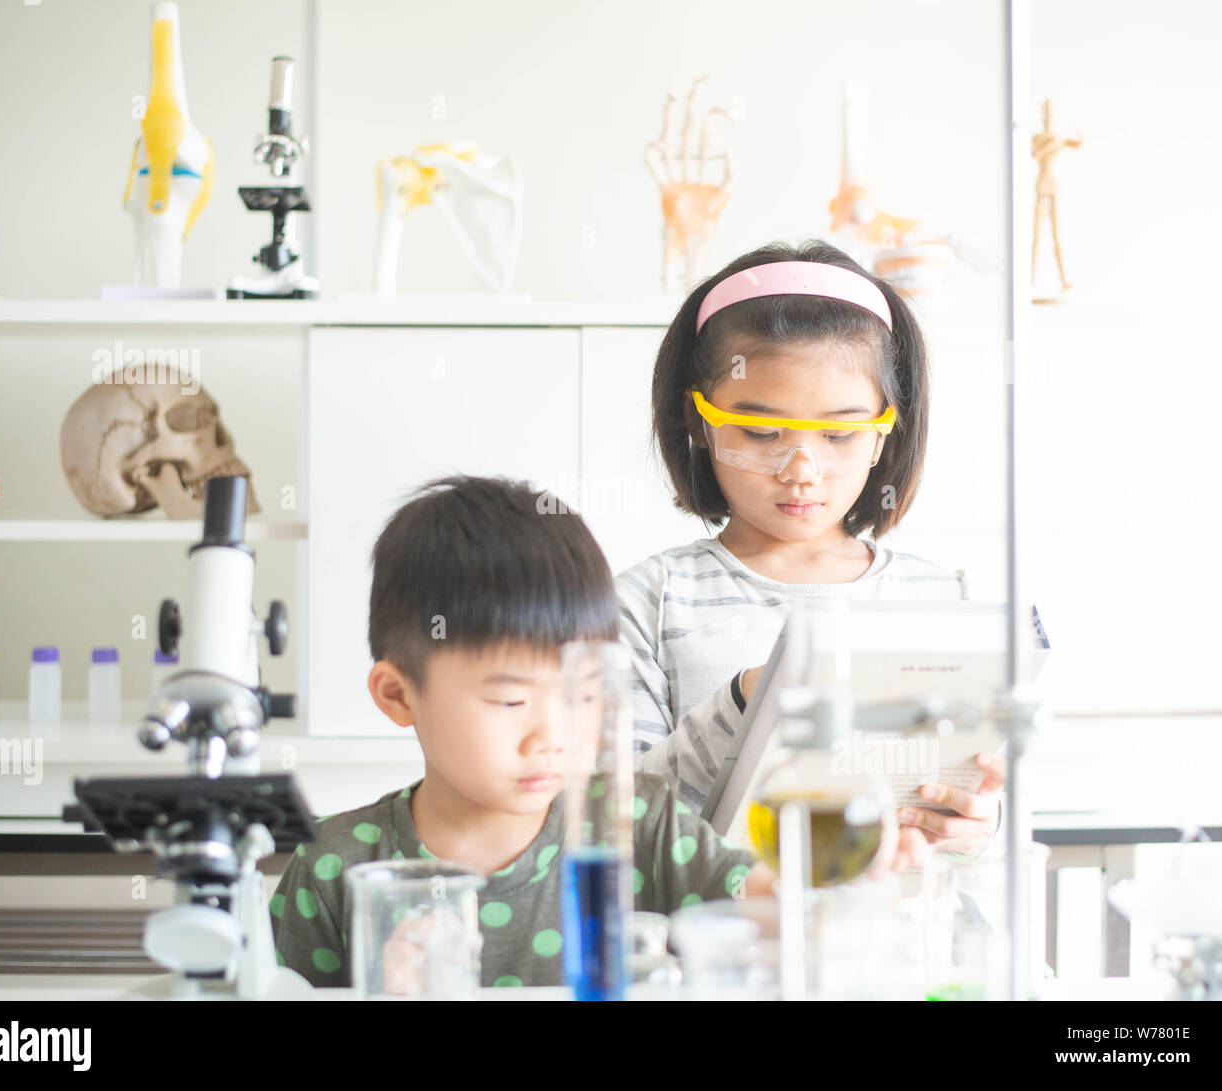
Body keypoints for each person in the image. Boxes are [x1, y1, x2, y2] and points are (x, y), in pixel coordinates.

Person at [270, 475, 778, 989]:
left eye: (583, 693)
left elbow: (772, 910)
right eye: (510, 700)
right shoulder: (333, 868)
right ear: (399, 695)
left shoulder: (639, 824)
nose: (552, 737)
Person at [616, 239, 1004, 856]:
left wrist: (981, 824)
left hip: (899, 913)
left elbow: (977, 805)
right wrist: (744, 704)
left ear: (884, 435)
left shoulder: (939, 599)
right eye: (761, 431)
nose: (801, 470)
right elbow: (616, 823)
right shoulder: (647, 601)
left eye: (841, 434)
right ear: (699, 422)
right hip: (719, 917)